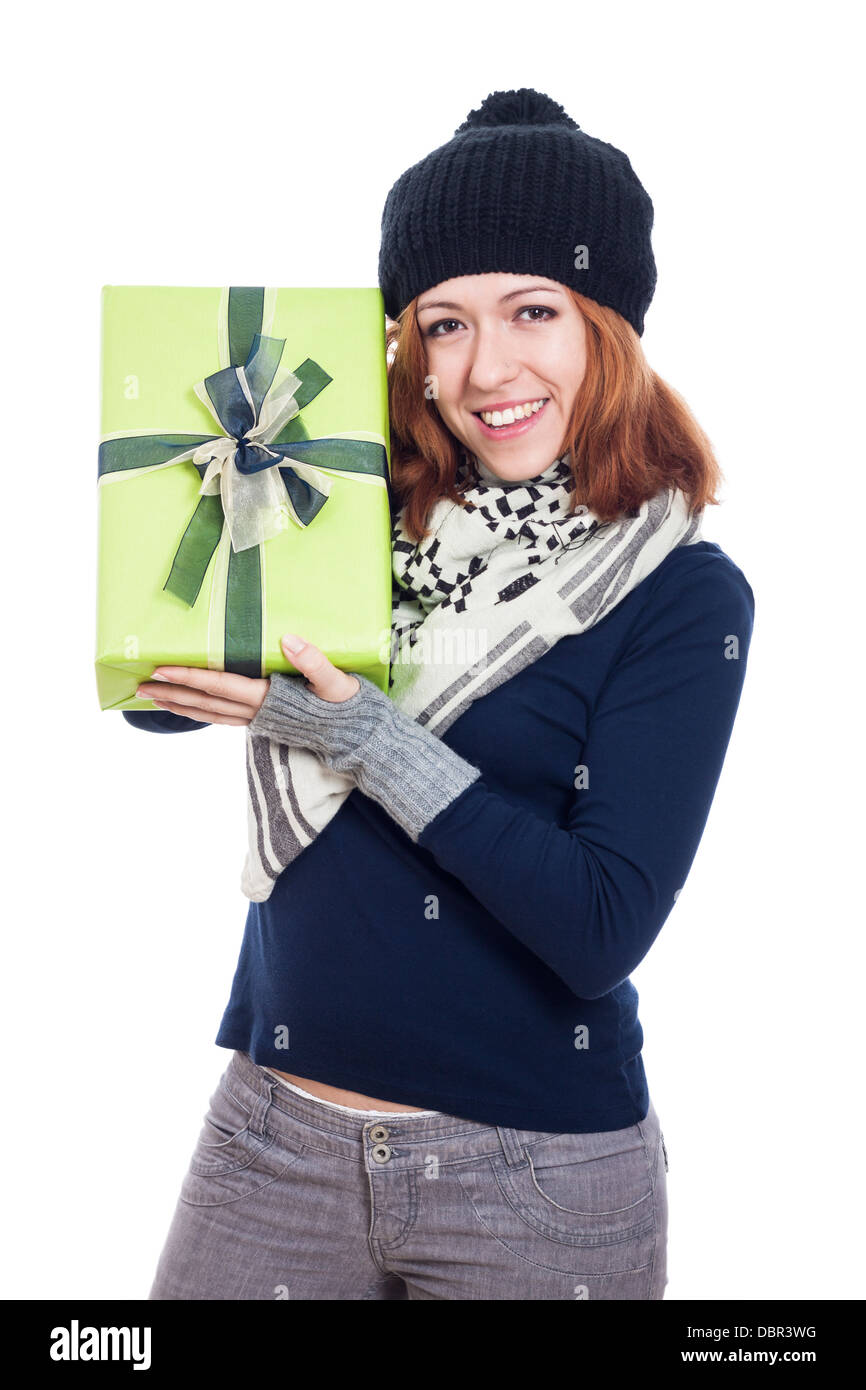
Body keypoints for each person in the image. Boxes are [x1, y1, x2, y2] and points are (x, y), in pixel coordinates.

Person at [122, 88, 755, 1300]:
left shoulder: (679, 594)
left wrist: (353, 730)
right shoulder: (349, 516)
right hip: (273, 1135)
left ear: (606, 327)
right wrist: (224, 498)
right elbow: (160, 696)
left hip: (532, 1180)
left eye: (532, 311)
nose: (486, 367)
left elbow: (596, 926)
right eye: (442, 323)